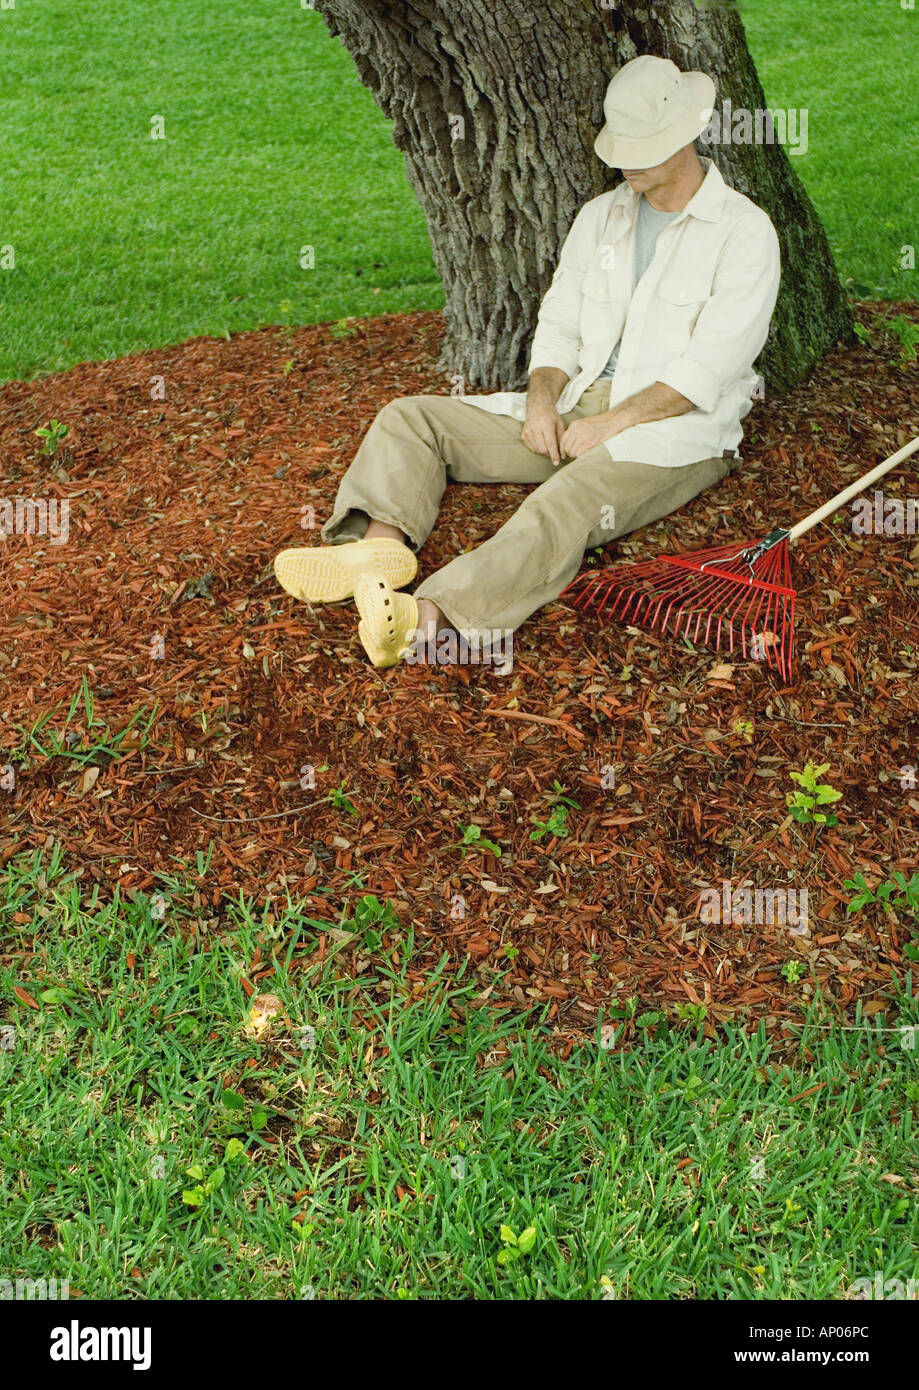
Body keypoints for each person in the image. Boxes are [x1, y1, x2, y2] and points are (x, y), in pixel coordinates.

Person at [274, 54, 781, 668]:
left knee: (561, 504)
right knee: (413, 419)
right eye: (621, 144)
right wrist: (543, 401)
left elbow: (713, 365)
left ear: (686, 137)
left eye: (641, 145)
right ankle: (374, 556)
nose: (624, 160)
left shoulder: (744, 233)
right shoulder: (602, 218)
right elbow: (560, 322)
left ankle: (424, 617)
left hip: (675, 433)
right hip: (578, 405)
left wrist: (612, 423)